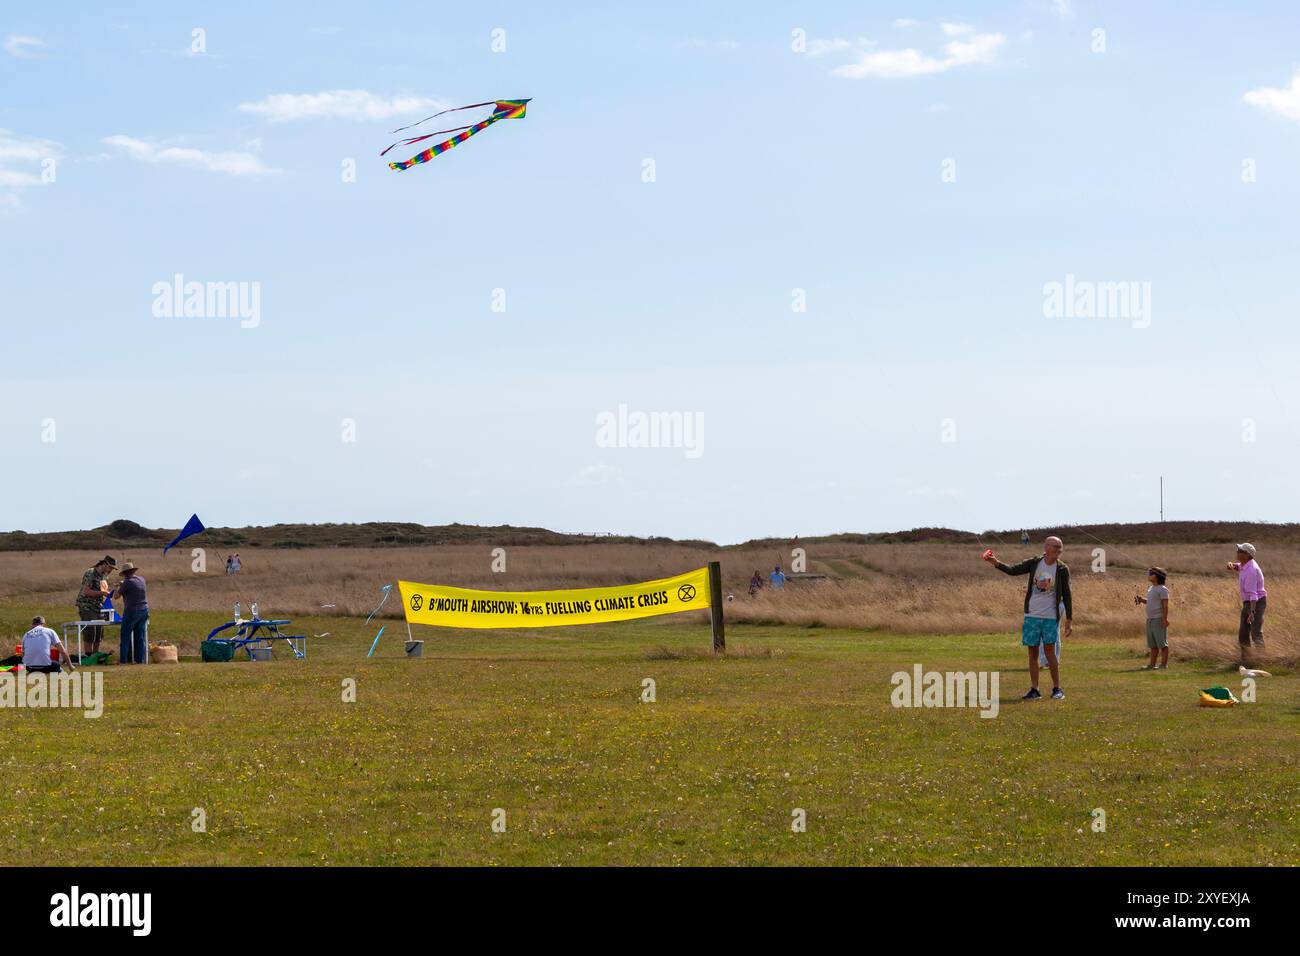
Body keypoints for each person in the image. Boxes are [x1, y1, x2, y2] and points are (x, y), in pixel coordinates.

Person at [983, 535, 1073, 701]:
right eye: (1055, 547)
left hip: (1050, 617)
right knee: (1032, 654)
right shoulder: (1035, 563)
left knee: (1050, 652)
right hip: (1031, 615)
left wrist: (1069, 620)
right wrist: (995, 563)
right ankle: (1034, 689)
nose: (1059, 551)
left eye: (1060, 548)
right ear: (1046, 547)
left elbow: (1067, 595)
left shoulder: (1062, 569)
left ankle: (1057, 689)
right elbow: (1013, 570)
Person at [1226, 543, 1266, 657]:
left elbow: (1253, 594)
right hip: (1248, 602)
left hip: (1256, 602)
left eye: (1240, 551)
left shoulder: (1251, 570)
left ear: (1247, 555)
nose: (1237, 552)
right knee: (1243, 634)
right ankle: (1246, 660)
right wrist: (1232, 565)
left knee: (1255, 633)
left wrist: (1252, 612)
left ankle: (1262, 658)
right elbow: (1240, 566)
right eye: (1238, 550)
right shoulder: (1246, 565)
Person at [75, 555, 116, 654]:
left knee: (99, 631)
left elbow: (102, 590)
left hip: (99, 606)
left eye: (113, 568)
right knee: (90, 631)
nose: (111, 570)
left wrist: (108, 594)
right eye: (110, 567)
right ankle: (89, 655)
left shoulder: (104, 576)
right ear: (104, 564)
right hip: (87, 606)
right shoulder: (91, 573)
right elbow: (86, 591)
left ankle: (96, 655)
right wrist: (102, 593)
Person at [111, 562, 149, 664]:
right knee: (139, 637)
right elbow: (132, 585)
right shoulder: (141, 579)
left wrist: (115, 587)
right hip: (144, 610)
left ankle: (123, 660)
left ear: (125, 574)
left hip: (132, 611)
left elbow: (116, 596)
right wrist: (123, 584)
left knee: (125, 636)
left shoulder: (127, 583)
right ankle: (139, 660)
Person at [1136, 567, 1170, 669]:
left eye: (1151, 573)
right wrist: (1142, 600)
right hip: (1150, 619)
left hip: (1158, 619)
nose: (1148, 574)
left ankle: (1163, 665)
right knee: (1153, 645)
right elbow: (1150, 602)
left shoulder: (1163, 589)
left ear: (1157, 576)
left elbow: (1165, 605)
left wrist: (1164, 619)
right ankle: (1152, 665)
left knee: (1162, 644)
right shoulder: (1151, 588)